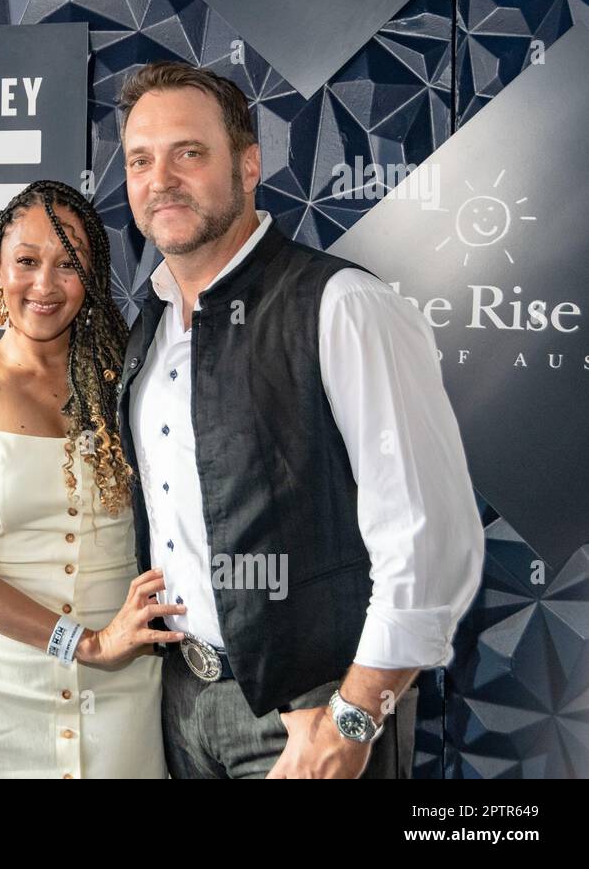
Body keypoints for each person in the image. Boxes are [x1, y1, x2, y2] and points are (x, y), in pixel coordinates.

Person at [114, 60, 486, 778]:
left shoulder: (339, 304)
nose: (160, 179)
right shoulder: (151, 328)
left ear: (248, 165)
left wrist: (353, 718)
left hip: (312, 715)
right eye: (140, 160)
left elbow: (429, 535)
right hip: (179, 706)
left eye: (188, 152)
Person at [0, 179, 182, 778]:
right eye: (26, 261)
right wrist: (87, 645)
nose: (45, 285)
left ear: (93, 276)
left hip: (122, 697)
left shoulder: (134, 383)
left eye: (69, 263)